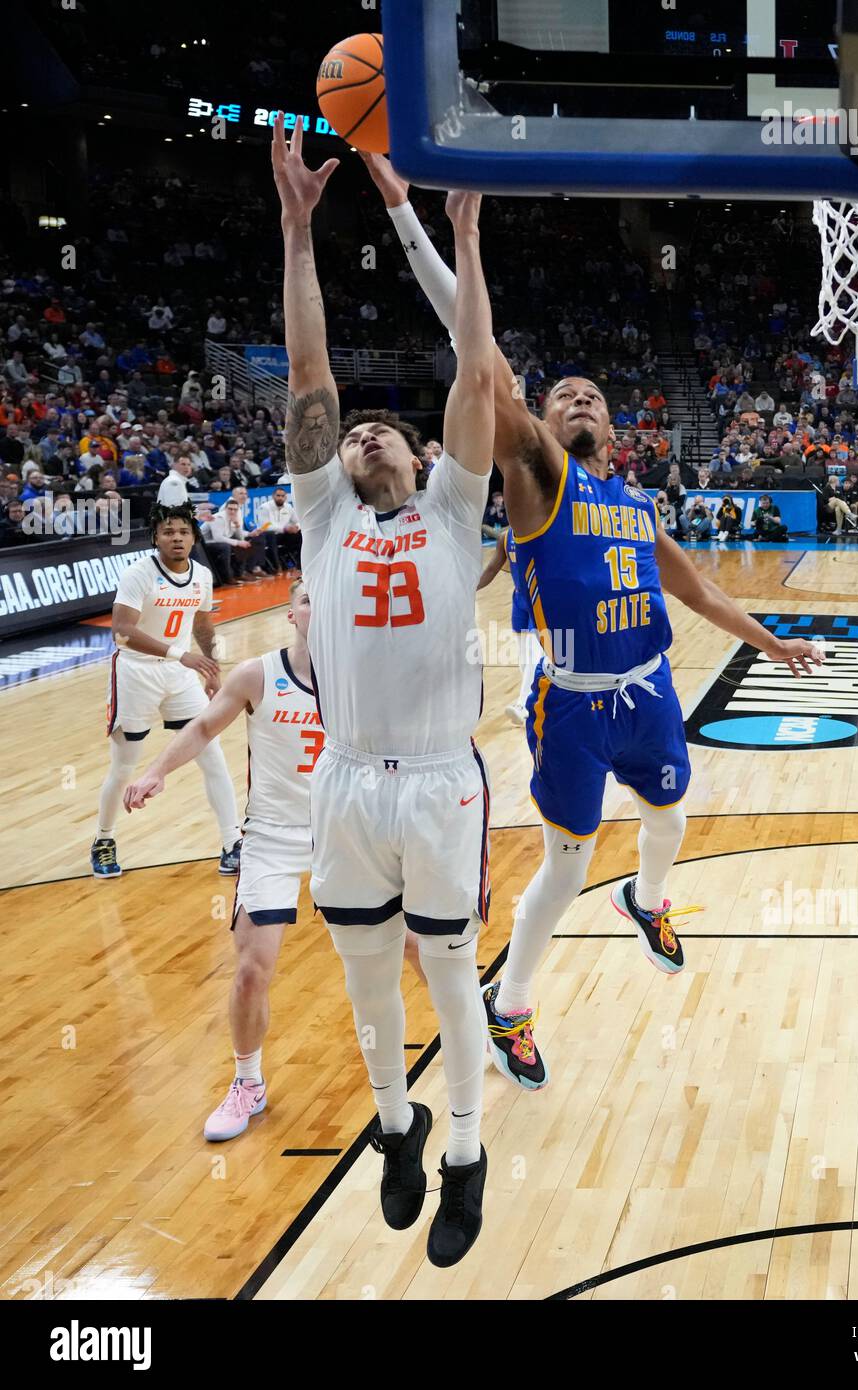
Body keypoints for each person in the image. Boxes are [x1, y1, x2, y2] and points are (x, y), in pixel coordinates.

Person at [362, 149, 823, 1095]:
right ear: (543, 418)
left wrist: (775, 643)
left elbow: (696, 595)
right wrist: (440, 227)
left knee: (670, 817)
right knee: (563, 868)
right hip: (568, 706)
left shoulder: (633, 501)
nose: (577, 400)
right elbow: (478, 356)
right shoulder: (537, 474)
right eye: (564, 393)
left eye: (593, 397)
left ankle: (647, 902)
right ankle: (512, 1003)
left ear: (614, 426)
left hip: (649, 689)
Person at [273, 114, 493, 1267]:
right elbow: (310, 371)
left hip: (440, 783)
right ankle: (397, 1131)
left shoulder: (458, 508)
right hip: (348, 782)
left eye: (377, 431)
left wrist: (441, 224)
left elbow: (474, 368)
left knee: (449, 973)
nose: (358, 431)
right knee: (365, 980)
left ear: (418, 458)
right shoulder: (324, 519)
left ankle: (463, 1148)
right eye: (350, 432)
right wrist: (299, 229)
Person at [124, 582, 321, 1141]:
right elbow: (205, 725)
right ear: (291, 613)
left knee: (408, 944)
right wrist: (156, 770)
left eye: (328, 597)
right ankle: (248, 1083)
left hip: (345, 832)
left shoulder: (363, 676)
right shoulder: (259, 674)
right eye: (307, 598)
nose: (317, 607)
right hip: (273, 836)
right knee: (251, 971)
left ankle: (478, 1021)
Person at [91, 502, 241, 880]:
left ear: (193, 536)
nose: (177, 538)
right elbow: (122, 632)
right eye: (169, 532)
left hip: (180, 676)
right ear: (155, 537)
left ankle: (232, 842)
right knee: (124, 765)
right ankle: (104, 840)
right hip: (135, 674)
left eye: (184, 532)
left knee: (213, 756)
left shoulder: (202, 575)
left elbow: (203, 627)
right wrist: (182, 655)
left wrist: (212, 669)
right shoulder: (138, 573)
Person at [477, 528, 542, 726]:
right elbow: (491, 569)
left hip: (539, 599)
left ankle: (523, 704)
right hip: (519, 599)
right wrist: (468, 588)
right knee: (523, 658)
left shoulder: (540, 530)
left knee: (533, 653)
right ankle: (535, 699)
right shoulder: (505, 537)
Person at [256, 484, 302, 569]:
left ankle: (300, 563)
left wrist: (296, 528)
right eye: (278, 495)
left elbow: (298, 521)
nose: (280, 498)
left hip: (284, 535)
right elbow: (265, 526)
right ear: (273, 496)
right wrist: (284, 529)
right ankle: (277, 567)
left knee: (300, 534)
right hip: (269, 535)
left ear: (285, 497)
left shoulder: (288, 506)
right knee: (271, 535)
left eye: (282, 496)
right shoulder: (264, 507)